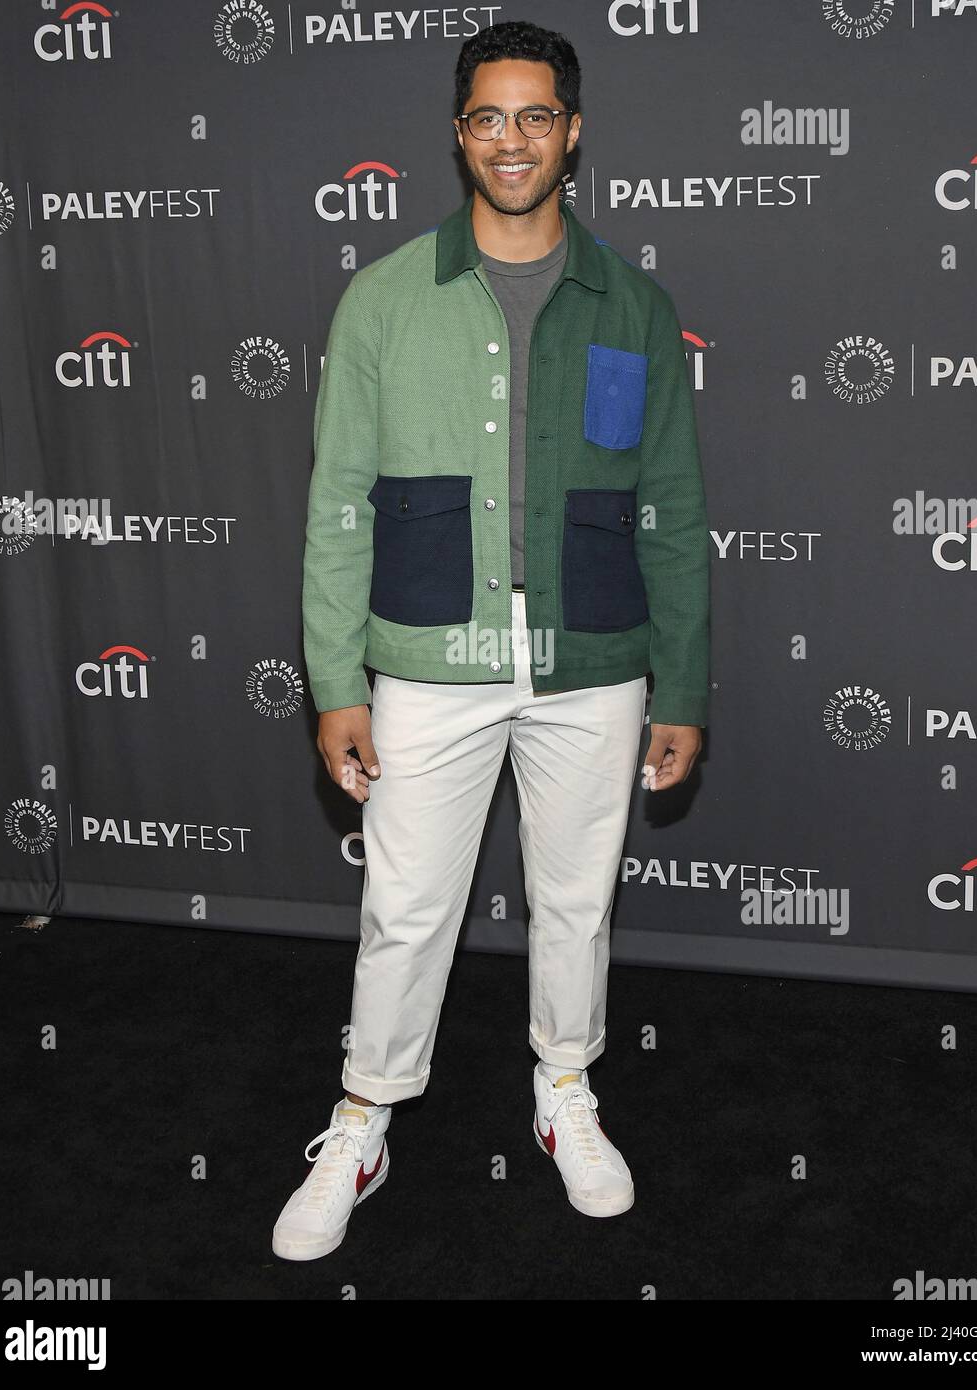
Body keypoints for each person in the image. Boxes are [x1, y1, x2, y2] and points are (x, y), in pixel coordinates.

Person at [273, 19, 710, 1262]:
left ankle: (563, 1089)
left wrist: (678, 679)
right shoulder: (382, 297)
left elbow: (670, 508)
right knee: (407, 907)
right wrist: (334, 677)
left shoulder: (634, 303)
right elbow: (337, 502)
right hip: (425, 658)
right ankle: (364, 1114)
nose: (508, 140)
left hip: (595, 663)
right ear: (457, 133)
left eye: (533, 117)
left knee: (575, 902)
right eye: (485, 117)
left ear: (570, 131)